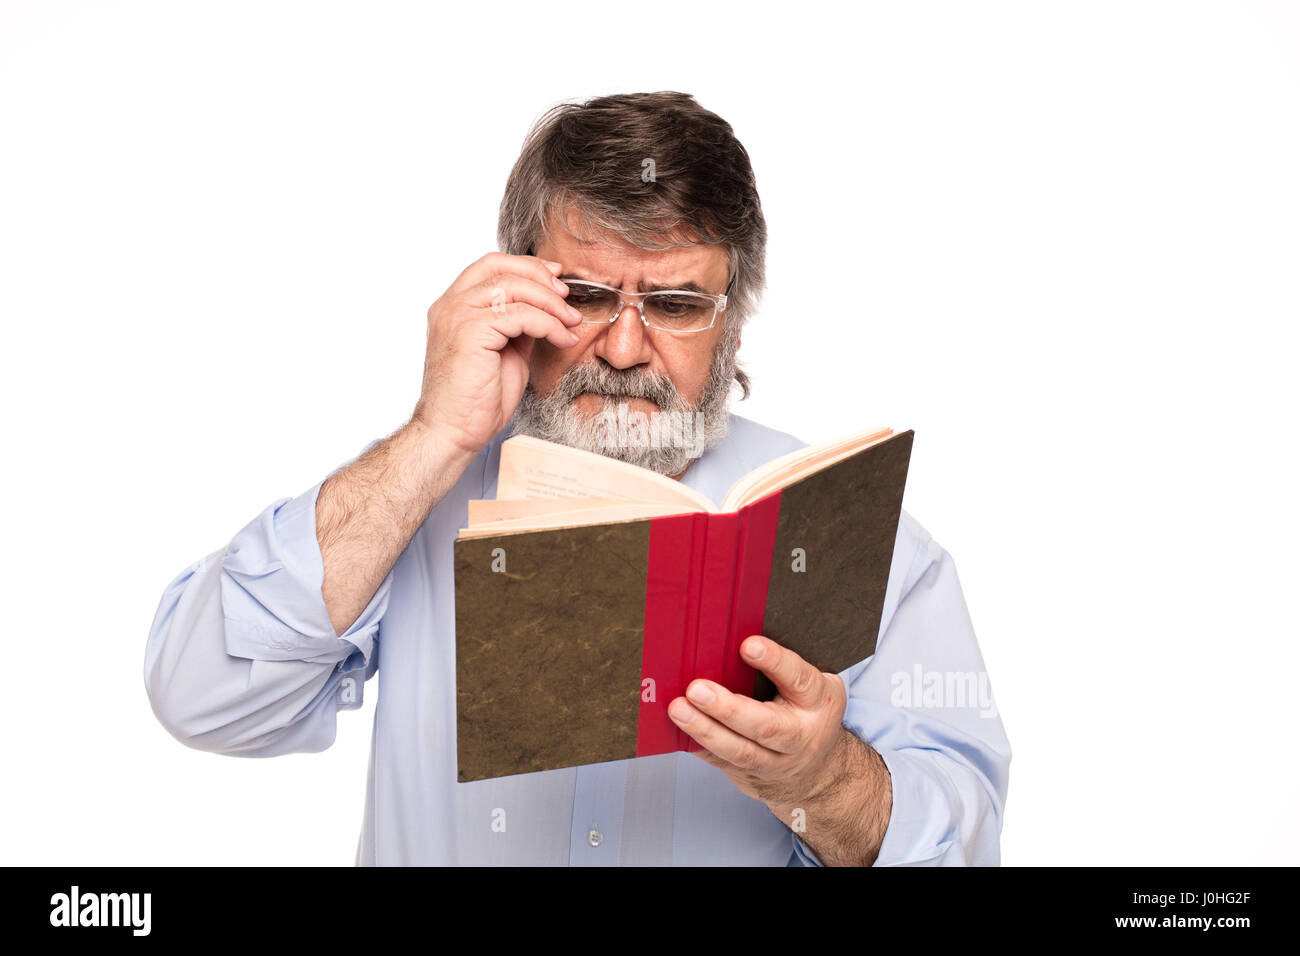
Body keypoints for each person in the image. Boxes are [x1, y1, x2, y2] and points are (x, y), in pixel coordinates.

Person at [144, 91, 1011, 866]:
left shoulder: (863, 532)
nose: (627, 350)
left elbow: (963, 847)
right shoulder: (415, 498)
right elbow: (201, 698)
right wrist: (434, 435)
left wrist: (821, 780)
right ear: (515, 286)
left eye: (674, 304)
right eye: (587, 294)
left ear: (733, 314)